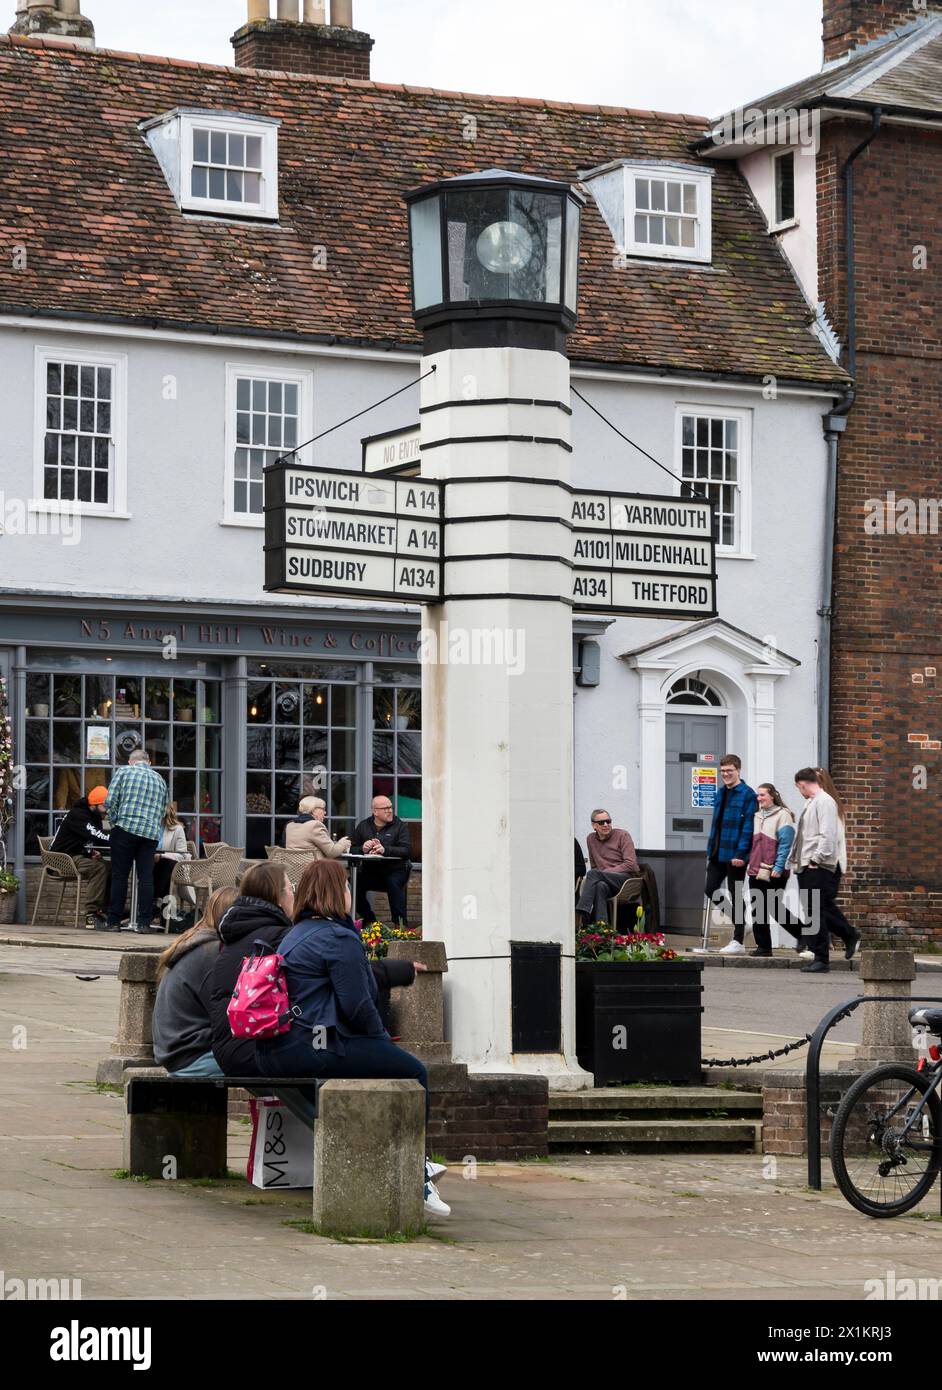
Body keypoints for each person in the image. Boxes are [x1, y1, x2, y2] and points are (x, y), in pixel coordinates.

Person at [255, 858, 447, 1217]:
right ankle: (416, 1173)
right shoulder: (338, 937)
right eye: (345, 886)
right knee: (414, 1072)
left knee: (377, 1067)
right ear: (334, 892)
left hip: (279, 1046)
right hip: (312, 1046)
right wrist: (382, 1044)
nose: (349, 893)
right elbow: (358, 1005)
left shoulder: (297, 933)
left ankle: (403, 1165)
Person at [208, 861, 296, 1078]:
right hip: (256, 1049)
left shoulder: (235, 936)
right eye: (290, 888)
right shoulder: (280, 938)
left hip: (227, 1049)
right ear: (278, 896)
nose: (294, 894)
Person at [152, 887, 238, 1077]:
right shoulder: (212, 953)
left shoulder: (196, 942)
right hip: (193, 1056)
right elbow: (224, 1015)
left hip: (176, 1052)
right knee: (270, 1064)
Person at [787, 766, 860, 974]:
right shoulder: (812, 802)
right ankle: (848, 934)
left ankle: (822, 958)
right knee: (818, 909)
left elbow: (827, 835)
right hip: (807, 864)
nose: (799, 790)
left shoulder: (825, 801)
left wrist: (815, 860)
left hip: (817, 865)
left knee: (815, 911)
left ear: (802, 784)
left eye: (798, 787)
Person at [104, 749, 169, 934]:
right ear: (148, 762)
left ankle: (114, 921)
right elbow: (164, 810)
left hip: (125, 828)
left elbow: (110, 801)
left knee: (120, 876)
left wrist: (116, 823)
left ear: (131, 761)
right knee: (146, 878)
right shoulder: (160, 779)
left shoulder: (124, 771)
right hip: (149, 835)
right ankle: (144, 923)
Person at [706, 755, 758, 957]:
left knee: (735, 893)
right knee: (710, 889)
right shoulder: (720, 793)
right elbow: (716, 824)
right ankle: (741, 922)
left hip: (736, 854)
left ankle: (738, 940)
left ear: (738, 770)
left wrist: (741, 854)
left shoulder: (748, 795)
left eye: (730, 770)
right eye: (723, 771)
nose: (726, 774)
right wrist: (710, 849)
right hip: (718, 851)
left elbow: (748, 828)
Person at [745, 783, 804, 957]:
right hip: (756, 869)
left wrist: (778, 866)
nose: (759, 798)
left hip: (774, 871)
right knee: (758, 908)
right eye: (758, 795)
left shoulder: (783, 815)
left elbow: (785, 844)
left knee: (773, 907)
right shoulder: (756, 816)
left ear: (772, 796)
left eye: (762, 795)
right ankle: (763, 947)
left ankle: (803, 934)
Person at [51, 785, 112, 930]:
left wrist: (91, 852)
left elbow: (85, 840)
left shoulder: (94, 816)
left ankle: (107, 911)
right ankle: (91, 915)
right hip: (60, 859)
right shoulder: (78, 815)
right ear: (95, 804)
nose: (108, 809)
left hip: (74, 855)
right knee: (99, 868)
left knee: (111, 867)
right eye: (105, 805)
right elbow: (96, 835)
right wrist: (118, 839)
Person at [350, 795, 412, 926]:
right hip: (371, 871)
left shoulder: (400, 826)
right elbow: (352, 848)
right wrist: (363, 848)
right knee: (354, 883)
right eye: (385, 808)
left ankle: (400, 925)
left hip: (395, 870)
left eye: (390, 807)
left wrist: (385, 850)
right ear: (375, 811)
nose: (390, 810)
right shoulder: (363, 826)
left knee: (393, 883)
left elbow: (406, 850)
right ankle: (369, 919)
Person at [576, 810, 640, 926]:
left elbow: (632, 865)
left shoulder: (623, 835)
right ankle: (602, 929)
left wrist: (604, 873)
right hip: (604, 880)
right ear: (594, 825)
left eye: (608, 821)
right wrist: (601, 875)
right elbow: (595, 865)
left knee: (593, 874)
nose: (606, 824)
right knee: (600, 886)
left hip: (625, 880)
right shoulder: (591, 839)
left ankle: (582, 911)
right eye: (601, 822)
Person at [152, 801, 192, 929]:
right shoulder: (149, 826)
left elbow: (182, 854)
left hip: (169, 866)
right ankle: (162, 912)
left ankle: (155, 901)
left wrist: (162, 856)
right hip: (150, 864)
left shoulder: (177, 829)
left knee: (166, 864)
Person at [284, 796, 351, 860]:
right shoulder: (315, 825)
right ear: (313, 810)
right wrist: (342, 843)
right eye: (323, 809)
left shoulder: (290, 825)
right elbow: (332, 852)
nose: (325, 812)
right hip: (313, 870)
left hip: (292, 870)